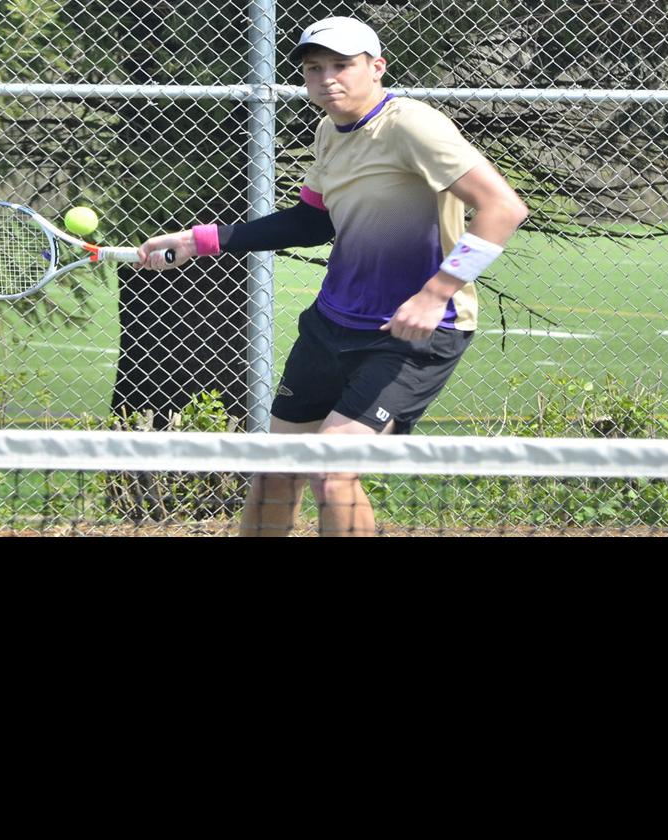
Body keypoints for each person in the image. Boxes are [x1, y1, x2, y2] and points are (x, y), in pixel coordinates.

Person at [138, 16, 529, 536]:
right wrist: (199, 240)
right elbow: (311, 221)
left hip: (412, 333)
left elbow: (504, 207)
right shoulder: (329, 131)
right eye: (314, 68)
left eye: (342, 65)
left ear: (377, 67)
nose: (327, 79)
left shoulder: (412, 125)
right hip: (331, 324)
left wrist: (436, 293)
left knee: (332, 472)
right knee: (278, 473)